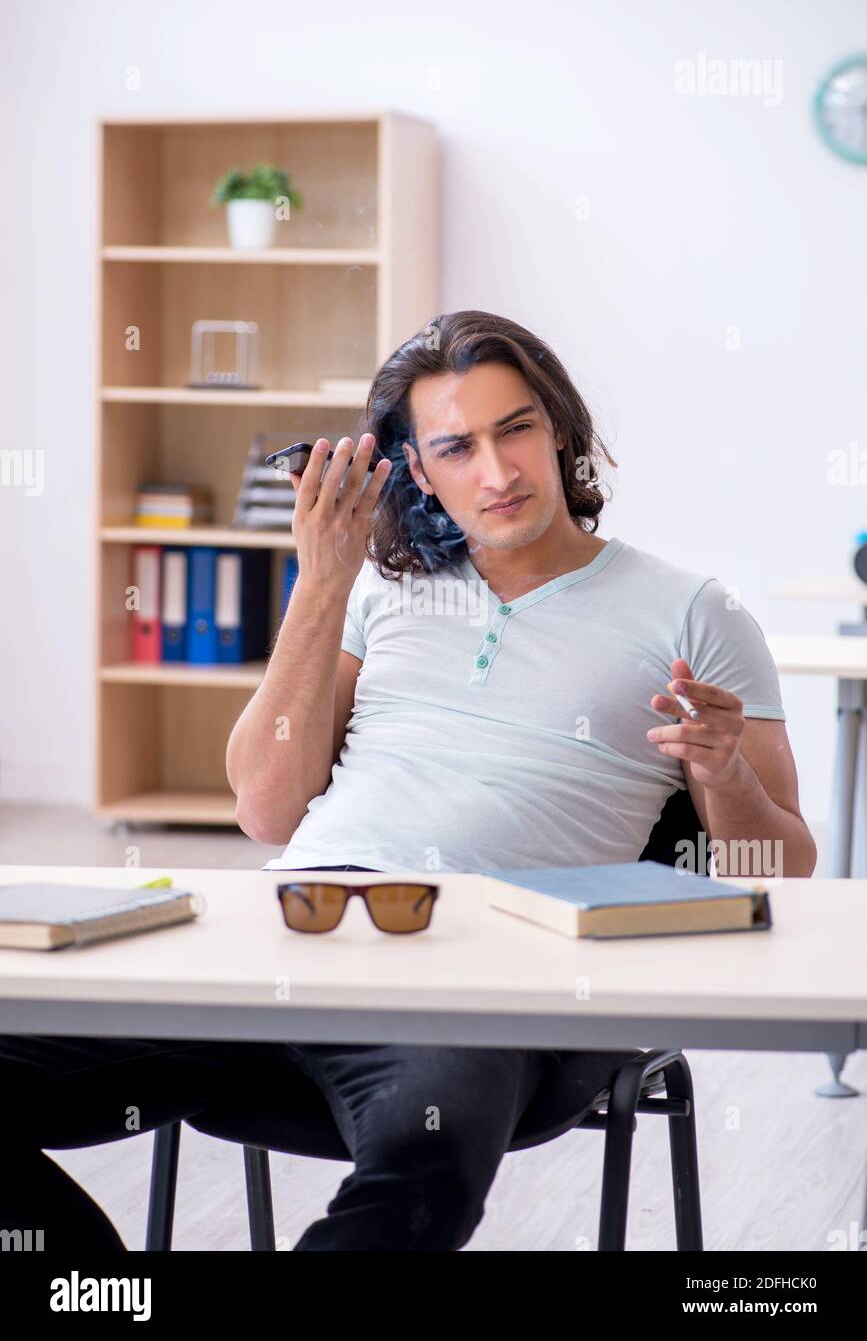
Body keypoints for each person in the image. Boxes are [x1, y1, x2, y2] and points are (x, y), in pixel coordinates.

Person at [0, 311, 815, 1252]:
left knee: (419, 1173)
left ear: (557, 427)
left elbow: (778, 870)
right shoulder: (376, 592)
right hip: (281, 947)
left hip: (477, 984)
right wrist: (320, 585)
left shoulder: (695, 611)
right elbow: (266, 810)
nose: (497, 473)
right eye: (456, 447)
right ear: (418, 471)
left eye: (514, 429)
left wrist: (721, 774)